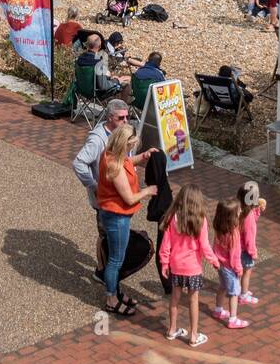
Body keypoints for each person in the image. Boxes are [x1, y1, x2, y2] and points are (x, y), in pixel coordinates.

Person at [97, 124, 158, 317]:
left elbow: (128, 161)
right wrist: (148, 191)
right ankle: (111, 300)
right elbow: (130, 198)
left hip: (114, 216)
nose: (133, 147)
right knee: (116, 260)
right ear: (125, 143)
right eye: (132, 144)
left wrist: (144, 156)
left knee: (117, 258)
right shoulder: (114, 167)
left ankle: (116, 292)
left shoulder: (111, 155)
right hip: (117, 218)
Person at [72, 99, 131, 278]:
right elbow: (79, 162)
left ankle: (111, 268)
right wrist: (93, 185)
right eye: (121, 118)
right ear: (110, 117)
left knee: (114, 236)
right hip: (105, 200)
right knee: (105, 235)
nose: (126, 121)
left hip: (119, 196)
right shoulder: (97, 139)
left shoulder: (122, 133)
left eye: (127, 117)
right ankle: (102, 270)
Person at [158, 184, 218, 346]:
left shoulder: (172, 218)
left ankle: (172, 329)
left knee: (175, 299)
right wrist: (214, 261)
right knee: (193, 301)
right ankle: (193, 335)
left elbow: (166, 244)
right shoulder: (201, 220)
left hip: (176, 266)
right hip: (193, 268)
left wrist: (164, 262)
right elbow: (205, 246)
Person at [210, 198, 249, 329]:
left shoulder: (219, 230)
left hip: (220, 265)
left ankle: (218, 310)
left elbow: (215, 247)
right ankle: (233, 319)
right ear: (232, 217)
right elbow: (235, 256)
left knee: (222, 287)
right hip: (230, 268)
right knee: (234, 293)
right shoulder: (234, 234)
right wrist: (239, 269)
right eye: (238, 211)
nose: (240, 212)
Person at [238, 181, 264, 305]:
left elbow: (254, 217)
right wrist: (252, 252)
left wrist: (257, 210)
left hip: (239, 248)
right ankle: (243, 294)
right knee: (246, 272)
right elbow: (249, 237)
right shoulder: (248, 217)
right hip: (245, 251)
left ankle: (240, 290)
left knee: (241, 271)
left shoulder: (243, 211)